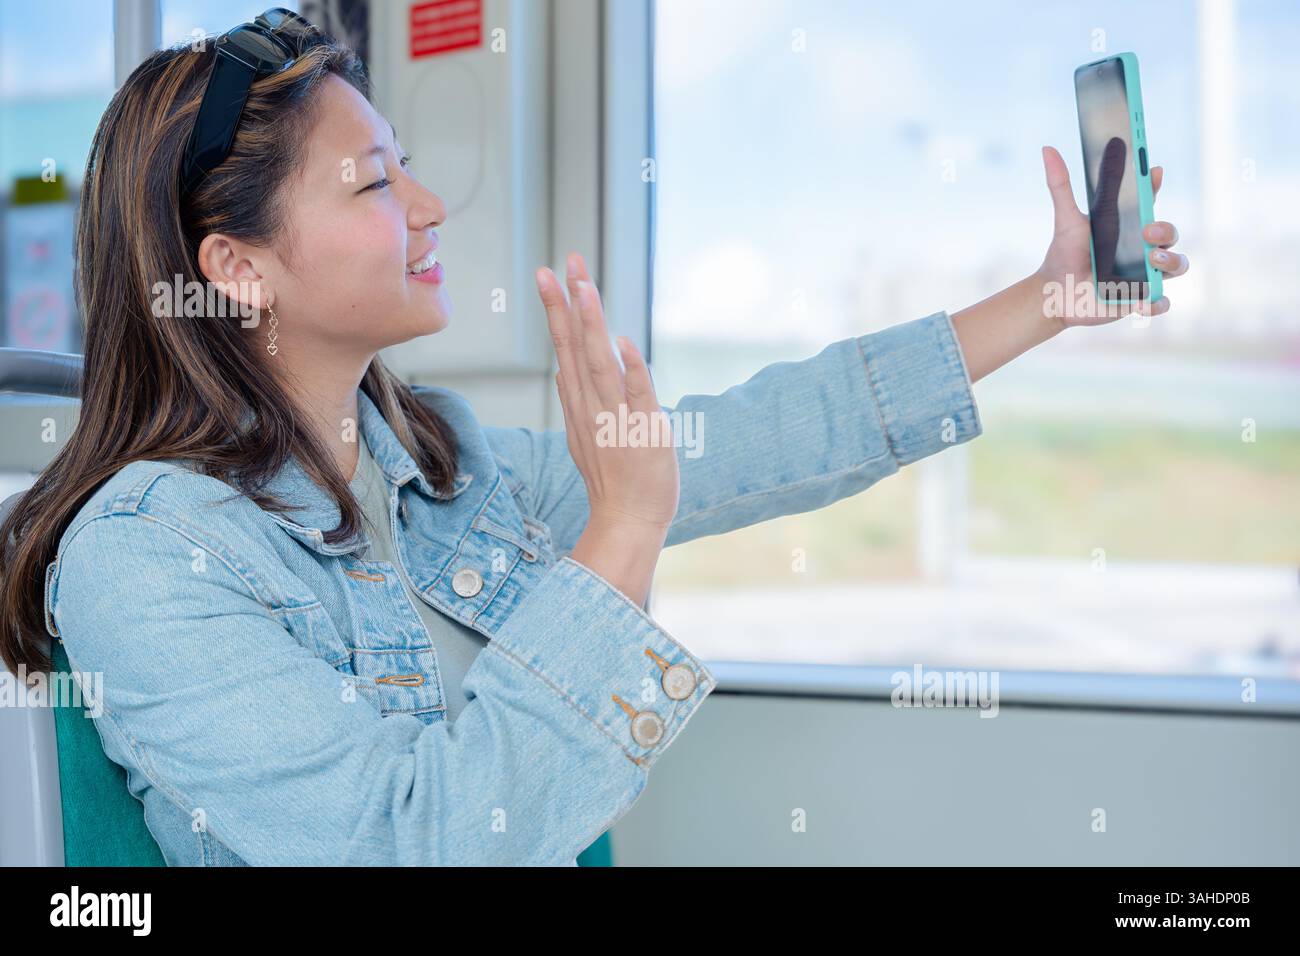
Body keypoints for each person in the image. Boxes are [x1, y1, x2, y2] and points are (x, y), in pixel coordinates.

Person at [0, 12, 1188, 865]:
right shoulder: (147, 555)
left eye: (407, 167)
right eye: (372, 183)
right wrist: (622, 526)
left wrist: (1050, 296)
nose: (426, 205)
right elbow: (409, 844)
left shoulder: (443, 465)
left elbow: (764, 434)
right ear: (236, 269)